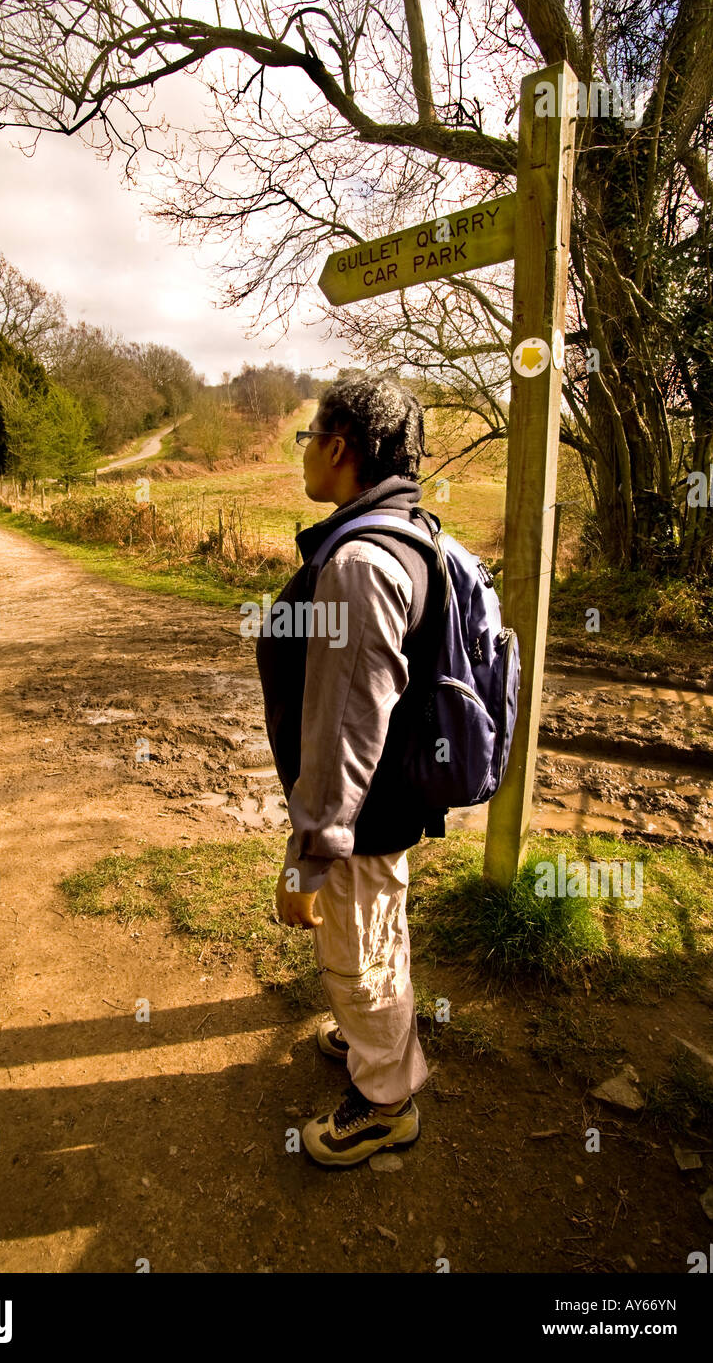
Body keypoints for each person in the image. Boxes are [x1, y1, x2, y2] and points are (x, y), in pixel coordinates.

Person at [256, 374, 444, 1168]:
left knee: (354, 948)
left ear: (338, 448)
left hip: (361, 807)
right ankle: (382, 1043)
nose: (304, 454)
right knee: (378, 928)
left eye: (309, 439)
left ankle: (385, 1104)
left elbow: (342, 731)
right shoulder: (404, 527)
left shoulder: (363, 564)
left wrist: (310, 857)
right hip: (388, 795)